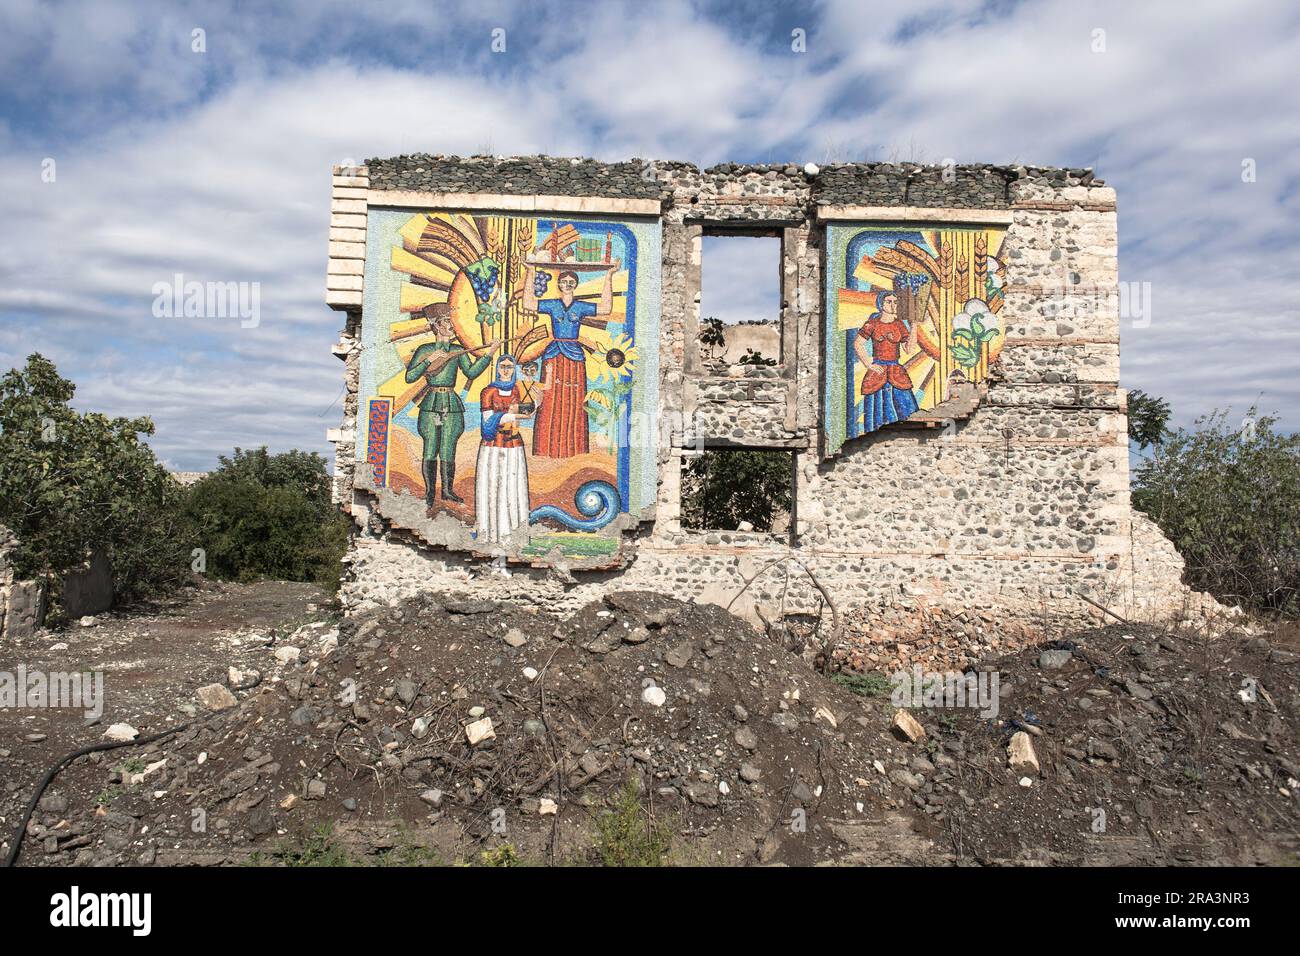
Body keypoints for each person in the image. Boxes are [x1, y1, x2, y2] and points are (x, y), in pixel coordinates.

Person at [404, 302, 500, 508]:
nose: (451, 325)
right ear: (437, 326)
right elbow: (410, 377)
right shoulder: (425, 350)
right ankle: (430, 492)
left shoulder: (457, 350)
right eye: (447, 322)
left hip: (452, 403)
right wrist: (428, 360)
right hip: (430, 404)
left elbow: (472, 373)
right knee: (430, 448)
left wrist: (490, 353)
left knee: (448, 449)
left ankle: (447, 491)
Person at [521, 258, 620, 458]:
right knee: (549, 399)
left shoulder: (580, 307)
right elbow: (528, 303)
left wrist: (609, 276)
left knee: (574, 401)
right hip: (554, 353)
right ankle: (546, 448)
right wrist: (531, 272)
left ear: (575, 284)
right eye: (563, 282)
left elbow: (605, 308)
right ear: (558, 285)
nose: (566, 285)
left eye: (570, 282)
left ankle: (572, 448)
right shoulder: (553, 305)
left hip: (574, 355)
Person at [474, 354, 530, 543]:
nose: (506, 370)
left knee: (513, 488)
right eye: (503, 366)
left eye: (510, 367)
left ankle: (514, 535)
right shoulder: (488, 392)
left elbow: (520, 414)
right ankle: (492, 534)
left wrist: (527, 410)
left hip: (513, 444)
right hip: (493, 446)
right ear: (497, 368)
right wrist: (511, 415)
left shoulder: (516, 390)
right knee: (493, 488)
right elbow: (488, 421)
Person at [853, 291, 919, 432]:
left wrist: (914, 327)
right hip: (879, 372)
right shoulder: (872, 324)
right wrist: (869, 365)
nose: (893, 305)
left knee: (906, 410)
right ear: (881, 304)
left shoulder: (899, 324)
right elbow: (858, 344)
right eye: (889, 301)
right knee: (879, 413)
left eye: (895, 302)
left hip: (896, 371)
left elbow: (909, 349)